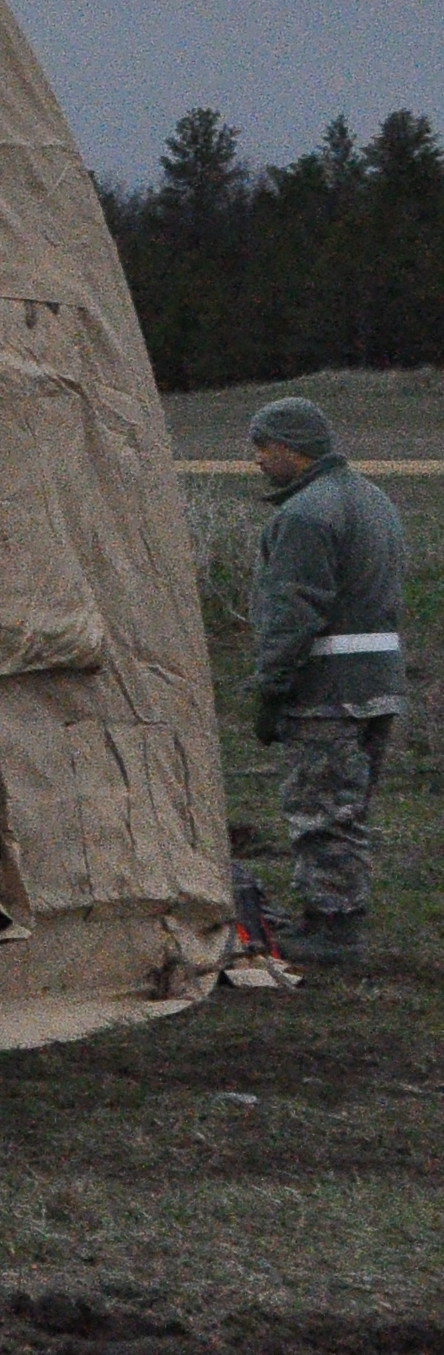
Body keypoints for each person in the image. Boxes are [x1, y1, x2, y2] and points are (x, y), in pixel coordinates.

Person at [246, 396, 409, 967]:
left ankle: (333, 932)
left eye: (264, 447)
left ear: (292, 448)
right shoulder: (374, 500)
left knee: (319, 810)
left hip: (325, 691)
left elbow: (291, 613)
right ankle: (333, 913)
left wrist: (271, 689)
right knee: (350, 808)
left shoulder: (303, 516)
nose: (259, 460)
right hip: (379, 681)